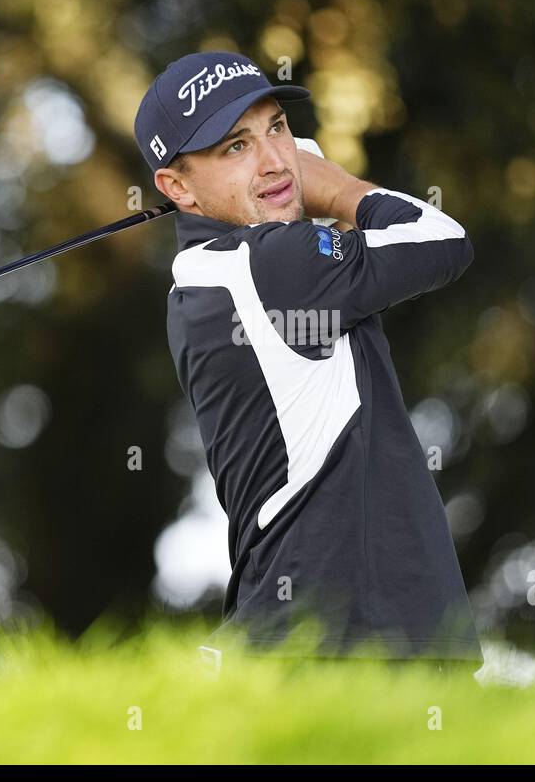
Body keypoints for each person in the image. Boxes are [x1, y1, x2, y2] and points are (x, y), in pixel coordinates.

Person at [134, 51, 483, 676]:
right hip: (347, 643)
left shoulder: (203, 280)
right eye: (235, 147)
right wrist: (334, 186)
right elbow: (441, 239)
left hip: (329, 639)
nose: (274, 160)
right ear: (177, 186)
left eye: (276, 128)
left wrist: (285, 188)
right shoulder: (269, 266)